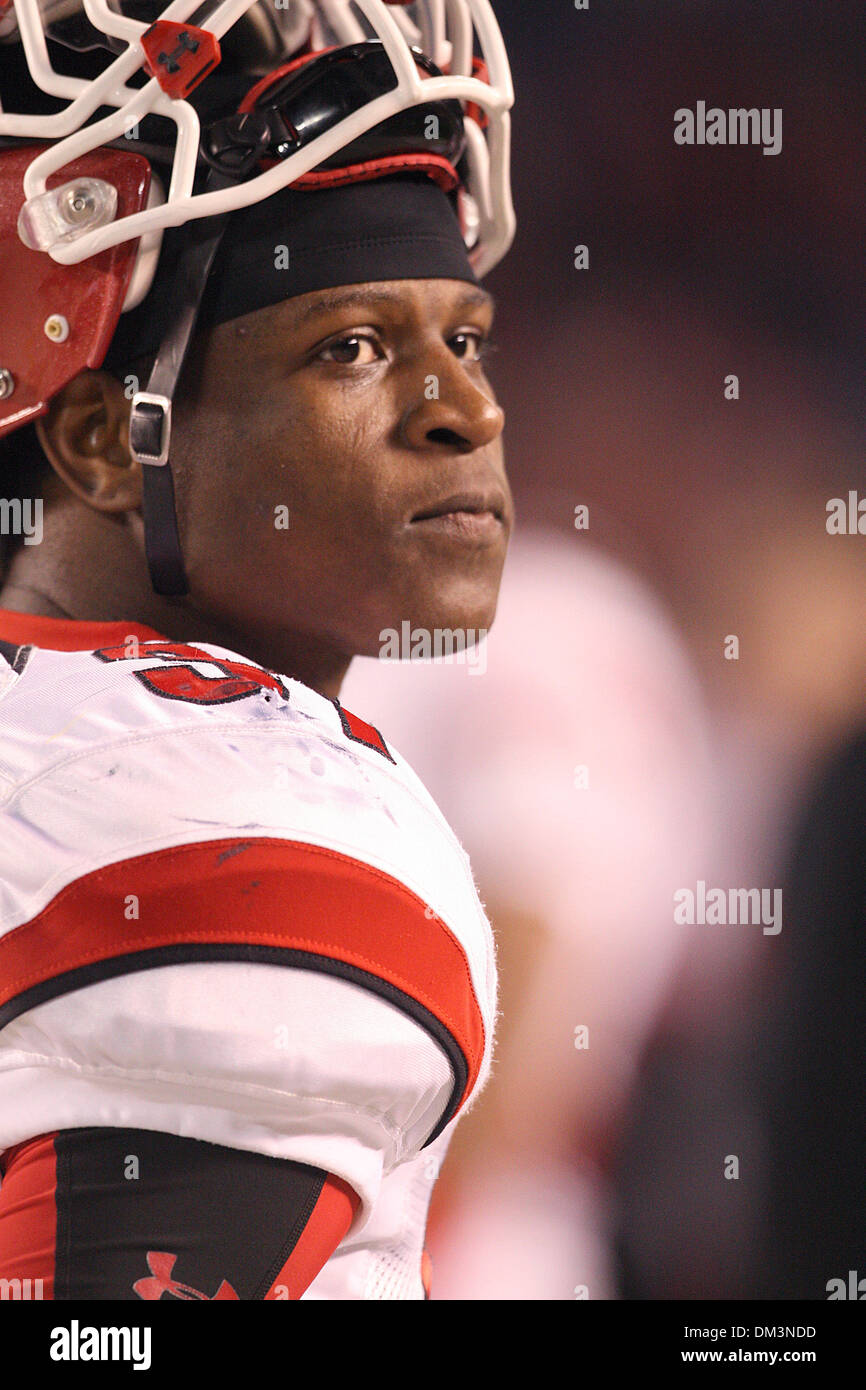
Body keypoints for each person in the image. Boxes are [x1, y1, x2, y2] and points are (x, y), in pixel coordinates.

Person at [0, 0, 515, 1300]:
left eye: (464, 340)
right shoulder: (229, 834)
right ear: (109, 442)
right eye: (349, 349)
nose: (466, 410)